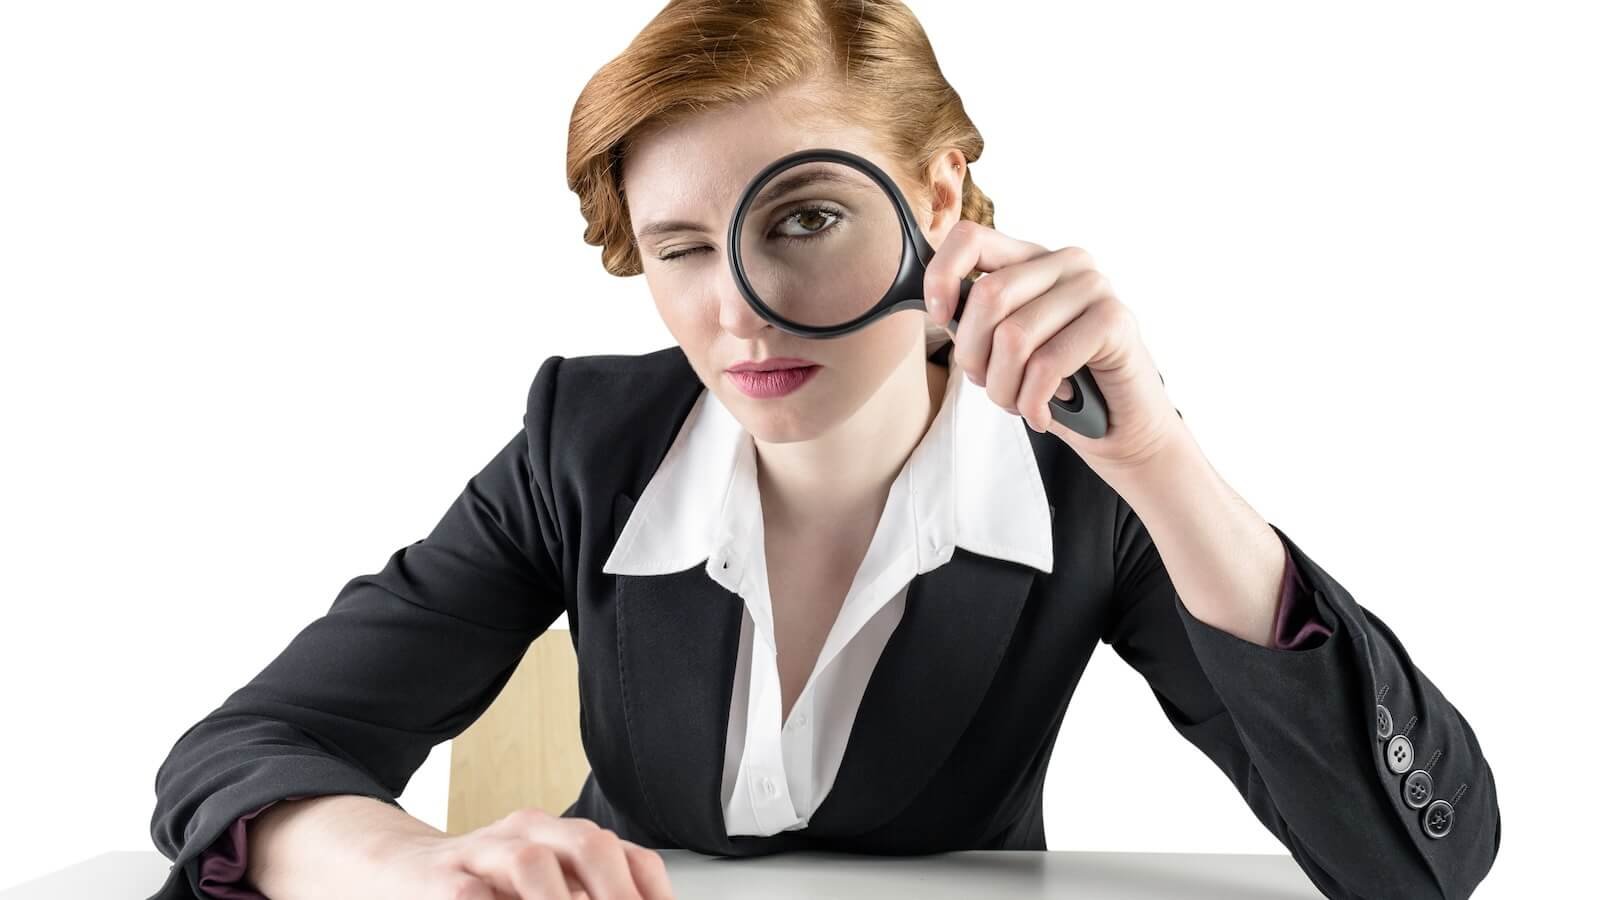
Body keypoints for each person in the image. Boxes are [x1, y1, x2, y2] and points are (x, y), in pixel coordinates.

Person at [147, 2, 1501, 898]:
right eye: (682, 248)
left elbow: (1419, 866)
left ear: (938, 194)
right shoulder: (584, 450)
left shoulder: (1079, 483)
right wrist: (399, 865)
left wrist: (1159, 462)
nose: (740, 315)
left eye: (801, 220)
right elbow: (249, 746)